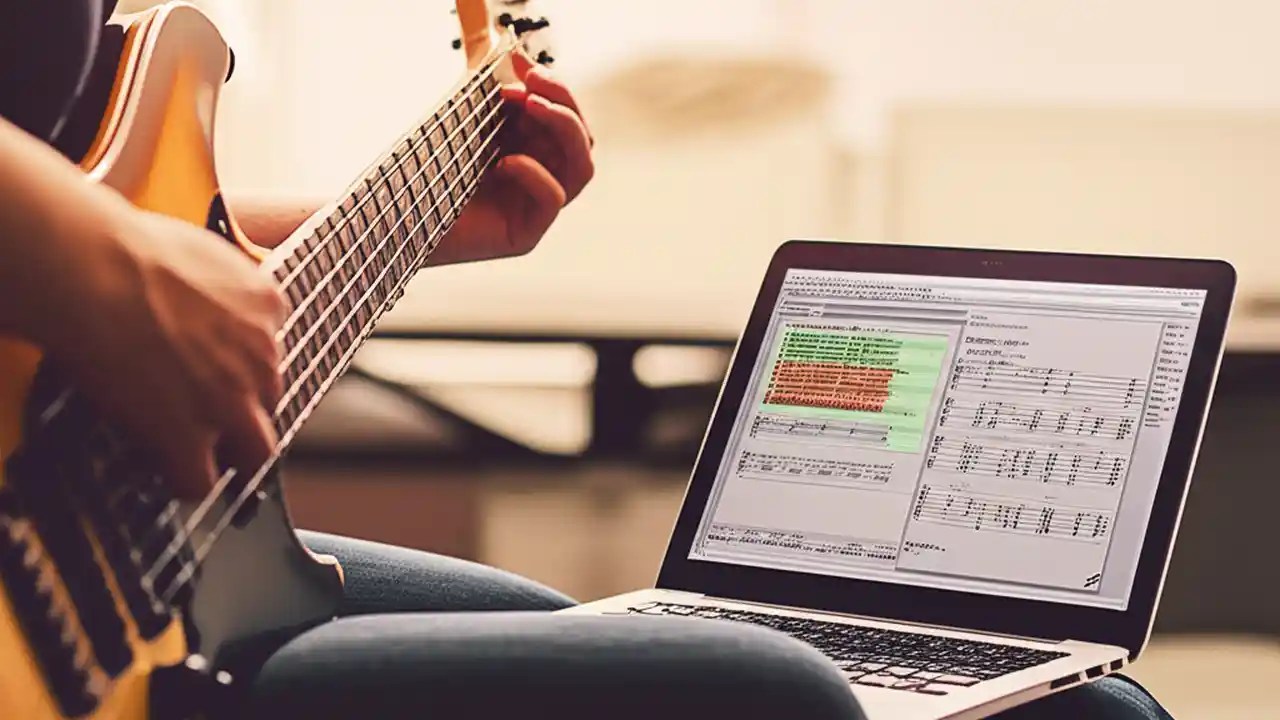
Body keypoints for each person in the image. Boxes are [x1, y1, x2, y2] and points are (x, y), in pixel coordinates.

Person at [0, 1, 1176, 718]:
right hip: (47, 584)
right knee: (767, 694)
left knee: (1089, 707)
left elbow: (92, 195)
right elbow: (93, 247)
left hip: (101, 520)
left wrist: (420, 228)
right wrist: (106, 269)